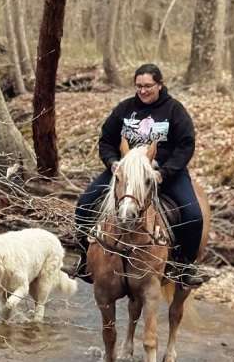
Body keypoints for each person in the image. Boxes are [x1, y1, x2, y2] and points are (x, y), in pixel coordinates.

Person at [74, 63, 204, 286]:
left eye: (148, 86)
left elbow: (186, 145)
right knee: (84, 204)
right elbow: (106, 140)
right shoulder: (125, 109)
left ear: (160, 85)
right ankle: (85, 258)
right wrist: (112, 163)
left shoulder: (174, 110)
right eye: (139, 86)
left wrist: (165, 172)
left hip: (162, 172)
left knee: (193, 215)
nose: (143, 91)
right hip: (125, 171)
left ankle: (185, 266)